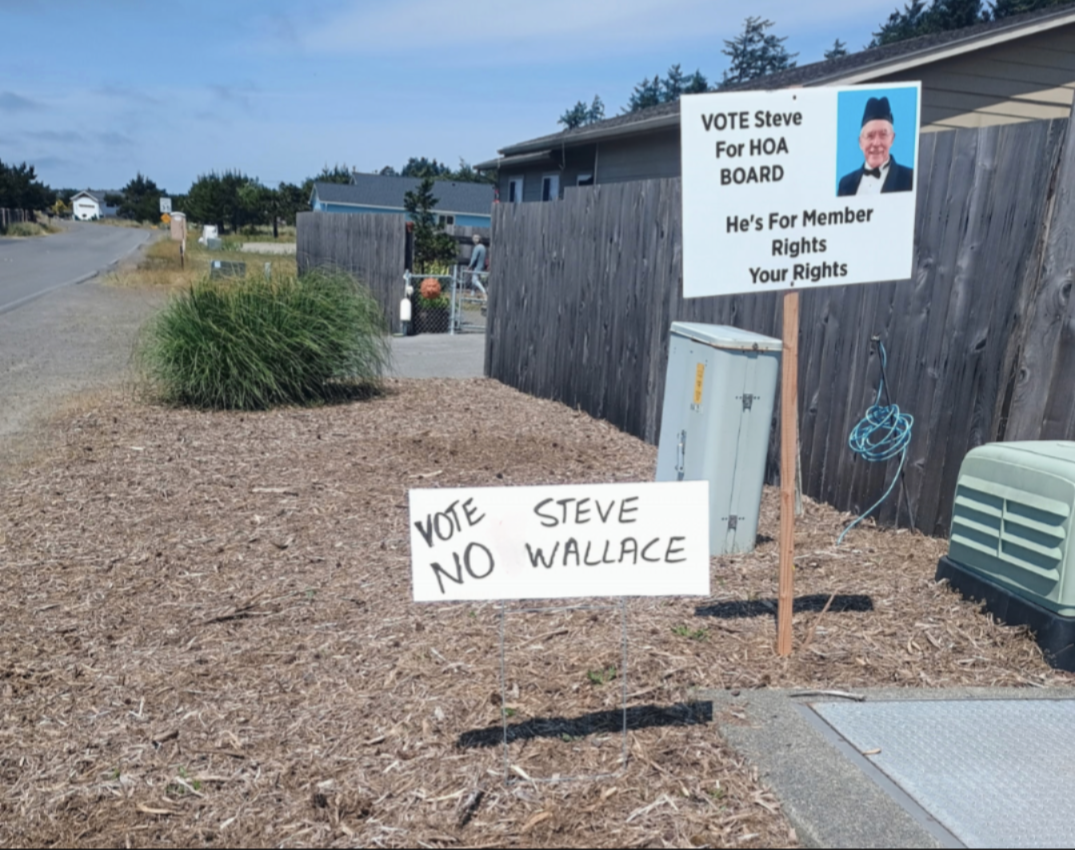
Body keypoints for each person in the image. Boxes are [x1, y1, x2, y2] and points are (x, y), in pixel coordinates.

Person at [837, 96, 914, 196]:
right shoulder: (846, 184)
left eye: (883, 135)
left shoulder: (910, 179)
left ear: (892, 139)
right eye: (870, 136)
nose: (876, 143)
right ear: (860, 142)